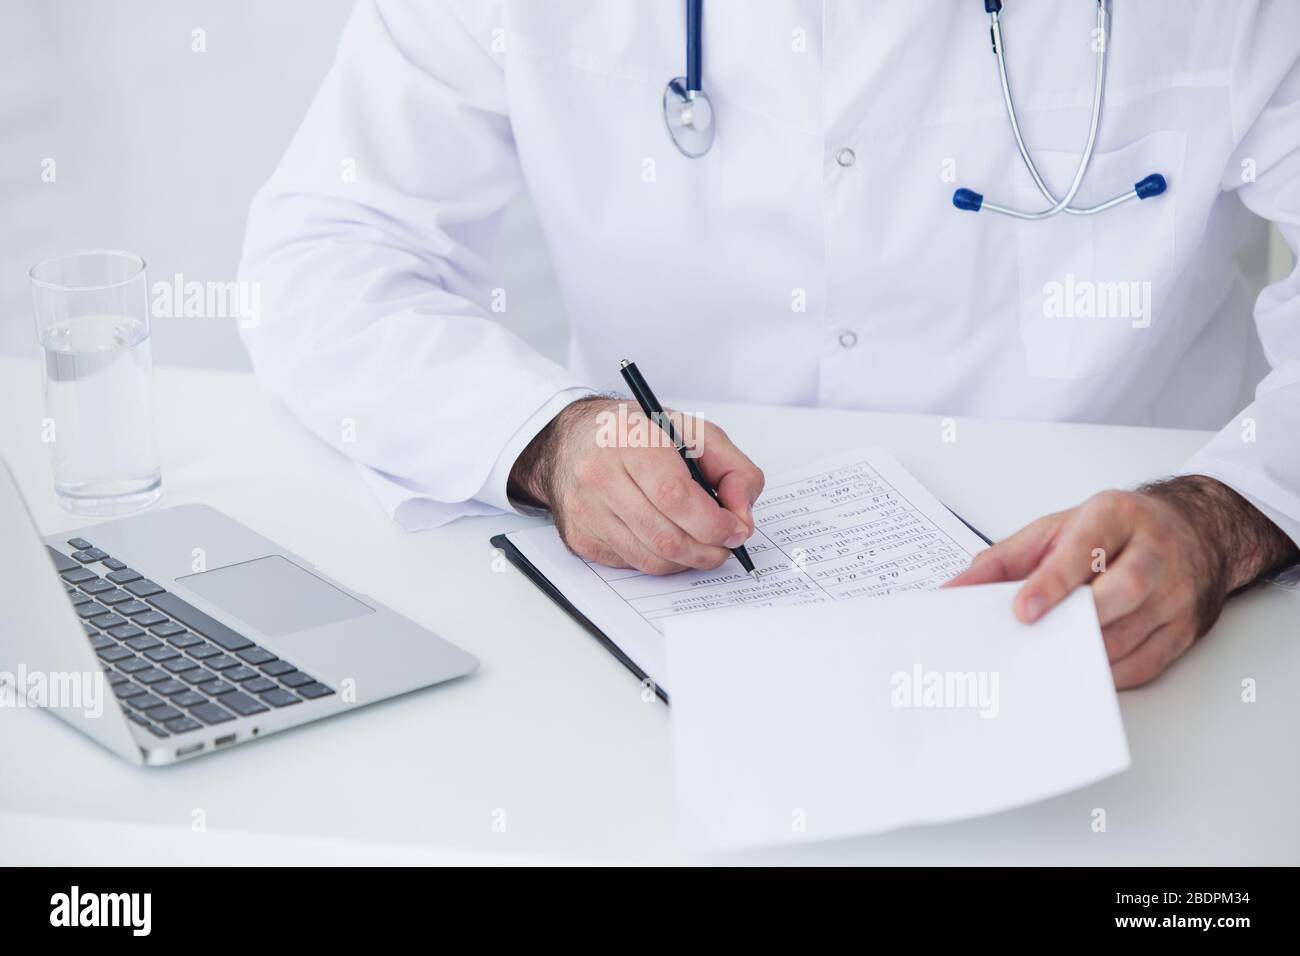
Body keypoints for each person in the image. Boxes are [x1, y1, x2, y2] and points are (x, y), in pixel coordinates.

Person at [239, 0, 1300, 688]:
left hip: (1138, 638)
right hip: (662, 636)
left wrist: (1225, 517)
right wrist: (544, 441)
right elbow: (327, 253)